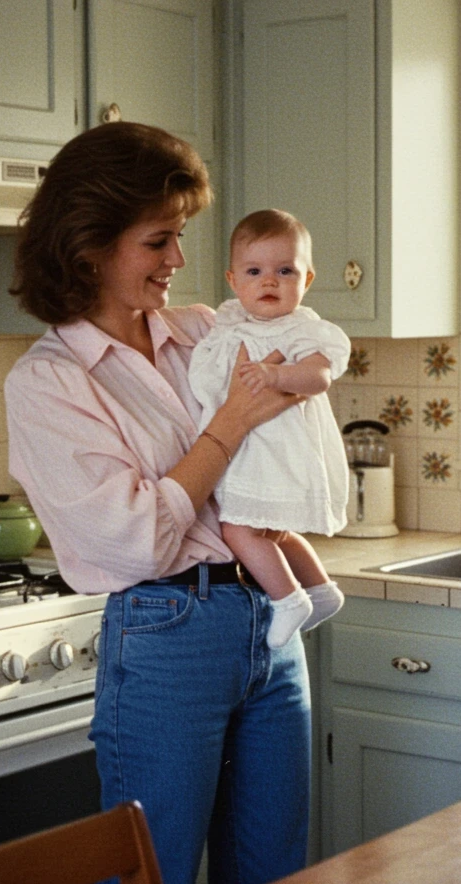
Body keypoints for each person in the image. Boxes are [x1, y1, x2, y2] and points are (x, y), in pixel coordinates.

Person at [3, 122, 312, 884]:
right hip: (168, 634)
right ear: (90, 246)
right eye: (158, 242)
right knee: (154, 881)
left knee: (277, 878)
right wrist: (230, 425)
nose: (179, 260)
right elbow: (140, 542)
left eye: (181, 238)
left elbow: (289, 444)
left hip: (270, 626)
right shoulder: (50, 382)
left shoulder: (206, 331)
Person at [188, 210, 350, 649]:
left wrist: (277, 376)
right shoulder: (228, 323)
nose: (270, 282)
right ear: (233, 279)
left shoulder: (303, 329)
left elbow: (319, 378)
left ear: (307, 280)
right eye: (255, 271)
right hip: (247, 448)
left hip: (277, 449)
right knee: (271, 532)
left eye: (285, 271)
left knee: (239, 529)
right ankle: (321, 590)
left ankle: (288, 599)